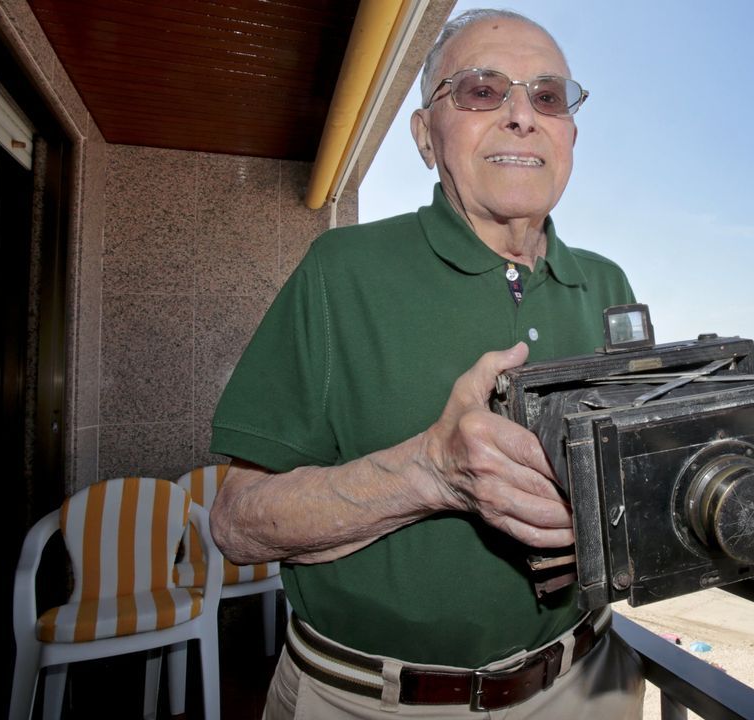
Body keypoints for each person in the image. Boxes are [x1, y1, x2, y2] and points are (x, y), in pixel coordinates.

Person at [209, 9, 643, 718]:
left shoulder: (610, 285)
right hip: (371, 702)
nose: (521, 117)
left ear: (569, 133)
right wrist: (429, 472)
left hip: (591, 685)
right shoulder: (340, 272)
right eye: (481, 90)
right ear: (424, 136)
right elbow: (235, 524)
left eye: (547, 95)